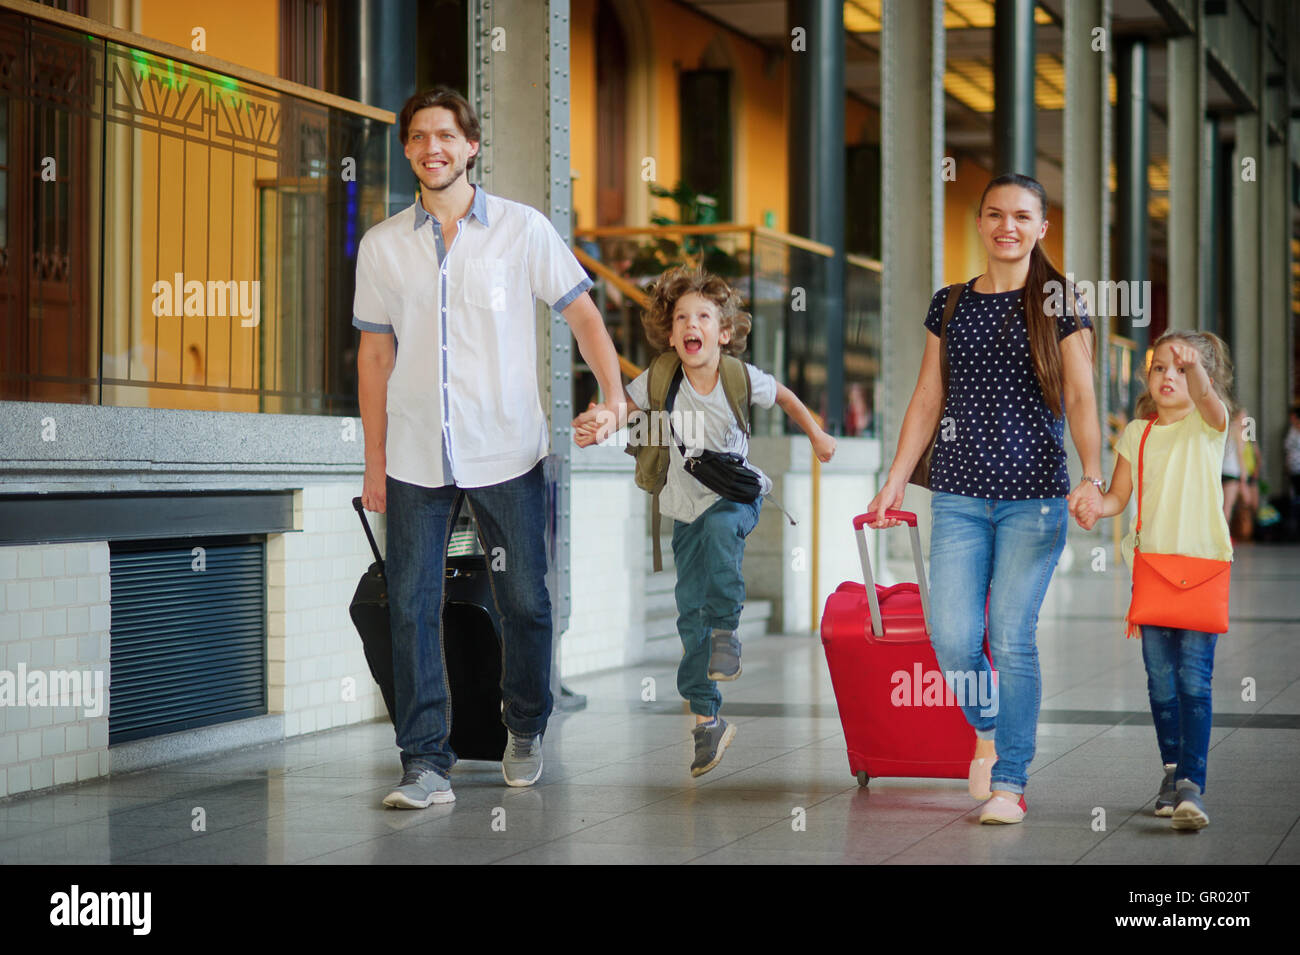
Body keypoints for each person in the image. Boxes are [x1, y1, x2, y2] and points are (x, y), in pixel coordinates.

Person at [355, 87, 627, 808]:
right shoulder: (382, 246)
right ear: (408, 149)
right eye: (418, 136)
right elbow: (374, 358)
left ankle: (526, 723)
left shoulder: (522, 230)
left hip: (509, 448)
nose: (431, 147)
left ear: (471, 145)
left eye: (445, 134)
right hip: (416, 454)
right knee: (411, 605)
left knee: (527, 602)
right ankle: (424, 761)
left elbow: (583, 313)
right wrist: (372, 460)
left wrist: (614, 393)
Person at [866, 173, 1101, 824]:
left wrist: (1093, 473)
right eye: (995, 214)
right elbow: (926, 397)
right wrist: (894, 477)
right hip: (961, 496)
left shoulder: (1058, 299)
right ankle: (991, 726)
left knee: (1010, 634)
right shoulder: (949, 304)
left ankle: (1010, 780)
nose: (1008, 225)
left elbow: (1082, 396)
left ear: (1042, 228)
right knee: (952, 638)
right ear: (978, 223)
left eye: (1022, 216)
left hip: (1036, 498)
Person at [572, 266, 835, 776]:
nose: (692, 325)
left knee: (718, 541)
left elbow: (784, 395)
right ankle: (706, 720)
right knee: (690, 614)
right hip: (683, 506)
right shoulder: (662, 375)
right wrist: (600, 423)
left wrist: (817, 435)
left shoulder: (739, 376)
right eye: (681, 318)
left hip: (735, 497)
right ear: (671, 334)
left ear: (725, 331)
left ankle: (727, 634)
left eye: (704, 317)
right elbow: (624, 407)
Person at [1080, 331, 1234, 830]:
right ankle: (1172, 770)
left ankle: (1193, 783)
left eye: (1181, 370)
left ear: (1201, 378)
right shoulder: (1136, 433)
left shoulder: (1208, 427)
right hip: (1153, 570)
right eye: (1160, 369)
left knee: (1194, 680)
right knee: (1161, 681)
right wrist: (1092, 505)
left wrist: (1200, 377)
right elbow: (1117, 498)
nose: (1170, 377)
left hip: (1203, 566)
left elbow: (1212, 406)